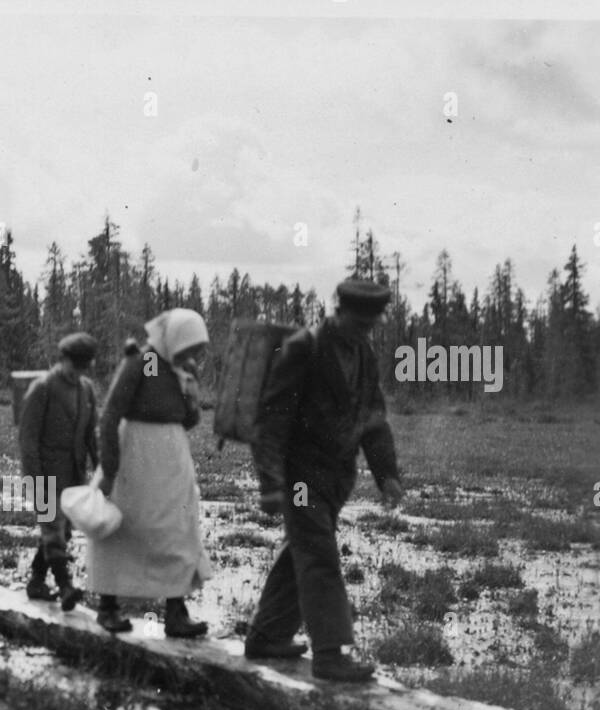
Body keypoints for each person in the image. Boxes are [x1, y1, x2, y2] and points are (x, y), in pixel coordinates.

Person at [246, 278, 405, 682]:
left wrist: (386, 474)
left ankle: (266, 635)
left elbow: (373, 418)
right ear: (340, 310)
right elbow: (271, 420)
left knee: (302, 549)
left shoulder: (363, 354)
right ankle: (330, 654)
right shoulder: (304, 347)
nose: (365, 329)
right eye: (359, 321)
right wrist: (270, 483)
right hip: (300, 477)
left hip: (336, 478)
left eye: (371, 323)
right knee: (319, 555)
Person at [87, 309, 212, 637]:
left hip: (172, 455)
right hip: (136, 454)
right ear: (172, 339)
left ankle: (176, 611)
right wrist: (110, 468)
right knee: (123, 527)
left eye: (195, 350)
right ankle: (108, 607)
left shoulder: (183, 370)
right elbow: (110, 414)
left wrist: (191, 396)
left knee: (179, 529)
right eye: (187, 347)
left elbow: (188, 420)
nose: (191, 355)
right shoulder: (145, 362)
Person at [18, 332, 99, 610]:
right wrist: (35, 480)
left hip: (74, 475)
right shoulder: (43, 388)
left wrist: (100, 469)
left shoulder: (86, 389)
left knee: (62, 533)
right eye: (73, 366)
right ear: (62, 360)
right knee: (53, 529)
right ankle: (66, 588)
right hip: (44, 474)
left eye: (82, 368)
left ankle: (36, 582)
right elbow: (27, 440)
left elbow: (91, 436)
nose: (77, 373)